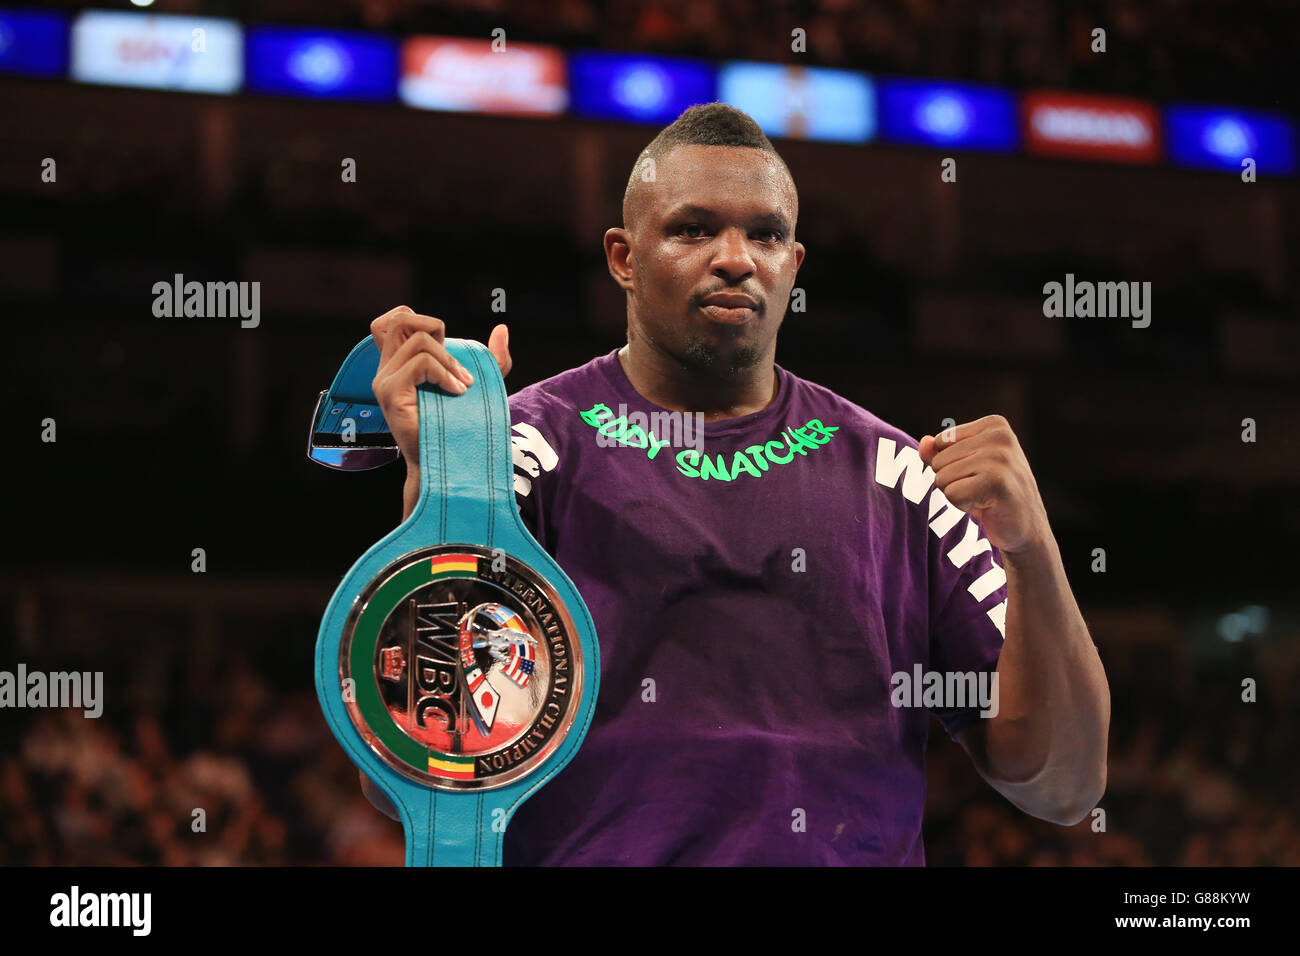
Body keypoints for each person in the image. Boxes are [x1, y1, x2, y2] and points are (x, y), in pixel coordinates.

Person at [361, 102, 1110, 865]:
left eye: (765, 234)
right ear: (624, 257)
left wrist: (1035, 550)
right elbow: (409, 780)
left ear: (794, 263)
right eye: (692, 229)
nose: (735, 257)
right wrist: (441, 480)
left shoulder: (896, 474)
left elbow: (1065, 787)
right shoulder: (521, 449)